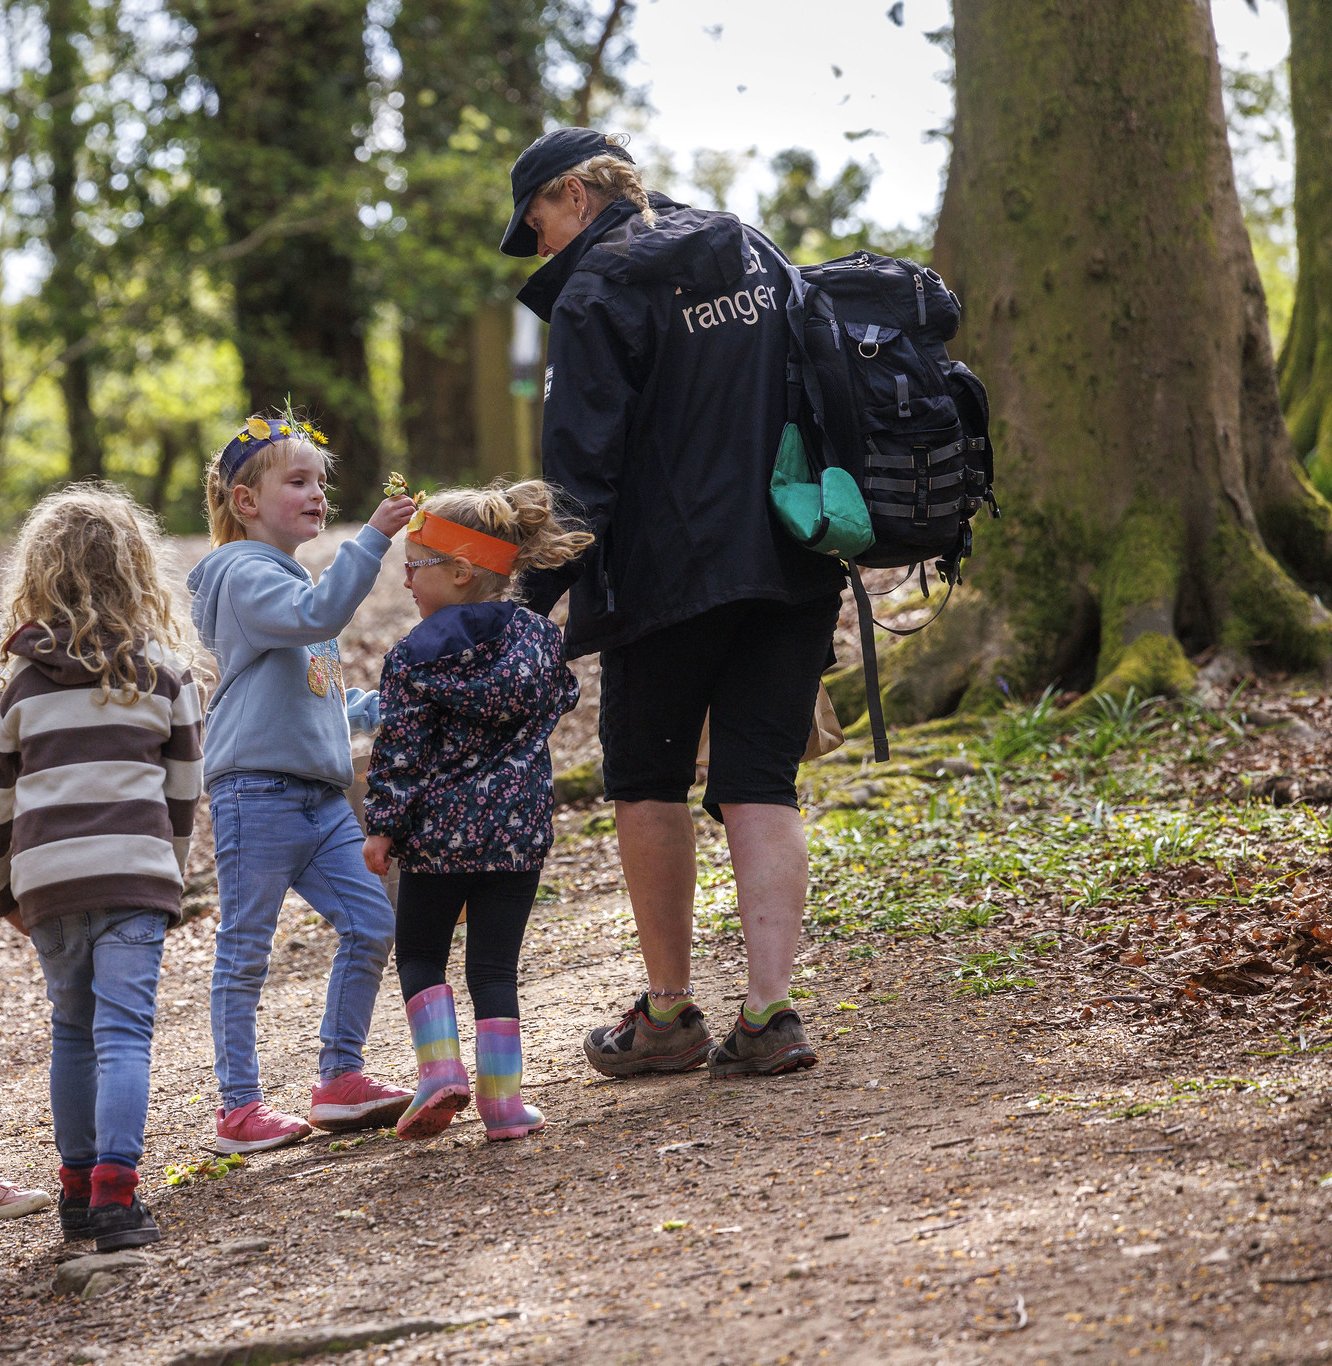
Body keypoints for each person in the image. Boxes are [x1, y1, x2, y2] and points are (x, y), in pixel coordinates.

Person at [499, 128, 846, 1079]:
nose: (540, 251)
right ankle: (771, 1014)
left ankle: (667, 1015)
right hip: (794, 560)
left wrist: (528, 608)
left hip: (666, 578)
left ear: (573, 193)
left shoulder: (597, 287)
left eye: (537, 225)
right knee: (761, 782)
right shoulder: (752, 245)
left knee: (647, 784)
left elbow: (579, 474)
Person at [188, 409, 417, 1154]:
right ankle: (237, 1108)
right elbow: (318, 610)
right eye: (298, 481)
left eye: (321, 481)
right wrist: (374, 537)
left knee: (372, 921)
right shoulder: (241, 573)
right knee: (245, 948)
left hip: (319, 802)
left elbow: (315, 697)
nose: (317, 494)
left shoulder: (285, 581)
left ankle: (339, 1078)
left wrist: (388, 703)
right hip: (256, 792)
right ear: (244, 501)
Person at [0, 484, 204, 1251]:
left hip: (48, 882)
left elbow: (3, 799)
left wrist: (9, 892)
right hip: (135, 874)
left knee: (71, 1030)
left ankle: (77, 1191)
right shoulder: (164, 673)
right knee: (123, 1033)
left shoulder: (18, 683)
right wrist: (168, 876)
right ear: (136, 571)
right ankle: (118, 1197)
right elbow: (184, 792)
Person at [361, 480, 586, 1141]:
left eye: (415, 566)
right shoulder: (542, 639)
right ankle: (504, 1104)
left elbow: (398, 751)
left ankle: (439, 1073)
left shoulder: (415, 655)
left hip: (439, 836)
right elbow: (564, 696)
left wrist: (382, 827)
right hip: (518, 833)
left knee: (422, 953)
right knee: (494, 967)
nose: (404, 580)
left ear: (460, 572)